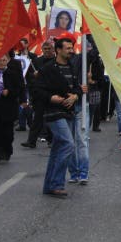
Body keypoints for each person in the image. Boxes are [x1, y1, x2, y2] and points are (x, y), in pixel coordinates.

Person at [34, 39, 82, 198]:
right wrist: (51, 98)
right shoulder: (47, 69)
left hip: (68, 112)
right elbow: (38, 90)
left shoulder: (71, 67)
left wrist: (76, 95)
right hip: (53, 113)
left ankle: (49, 185)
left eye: (72, 48)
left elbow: (76, 88)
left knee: (57, 149)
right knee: (68, 144)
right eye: (68, 48)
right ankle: (57, 184)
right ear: (58, 50)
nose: (71, 50)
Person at [22, 41, 55, 148]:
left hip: (52, 94)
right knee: (37, 119)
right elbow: (30, 76)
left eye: (49, 48)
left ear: (53, 49)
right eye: (45, 49)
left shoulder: (56, 61)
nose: (47, 51)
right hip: (39, 94)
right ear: (42, 49)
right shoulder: (37, 61)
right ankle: (31, 141)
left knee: (51, 118)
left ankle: (52, 139)